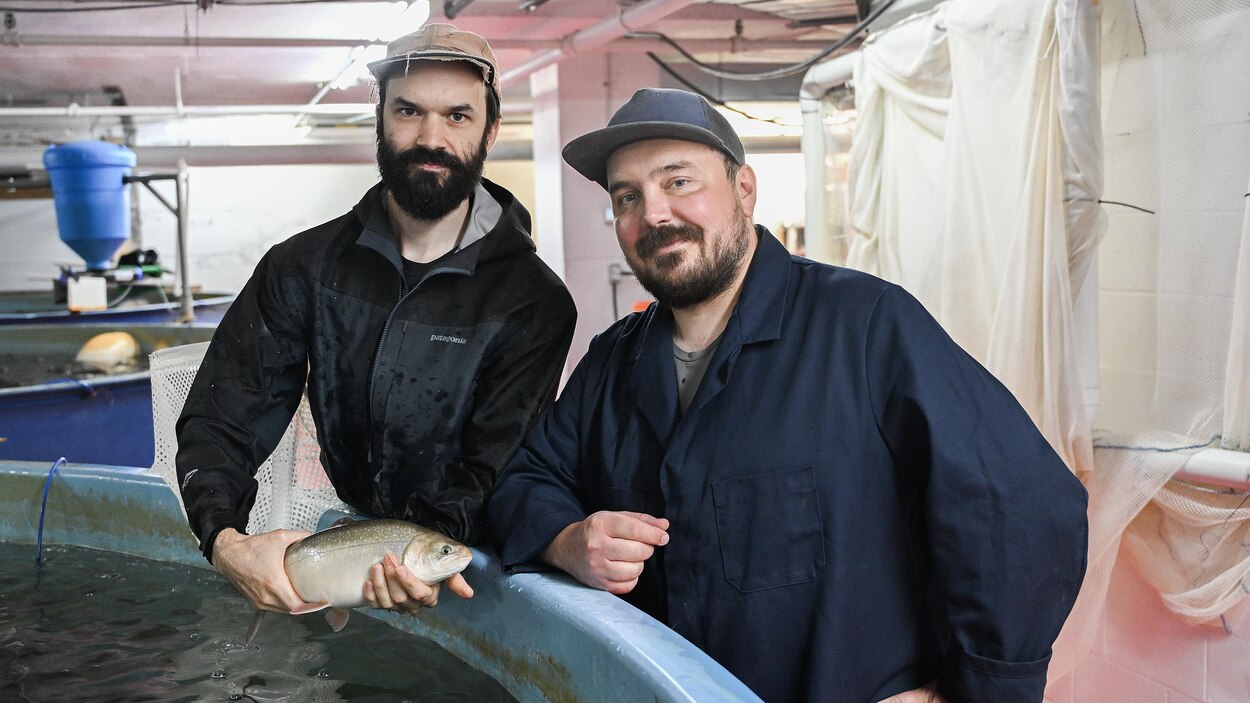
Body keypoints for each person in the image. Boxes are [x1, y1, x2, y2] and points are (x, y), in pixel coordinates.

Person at [487, 88, 1088, 703]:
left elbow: (1021, 507)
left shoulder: (865, 326)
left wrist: (968, 690)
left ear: (744, 189)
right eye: (628, 197)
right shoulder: (613, 361)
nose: (655, 214)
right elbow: (525, 483)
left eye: (679, 182)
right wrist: (570, 542)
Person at [175, 24, 576, 619]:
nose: (430, 138)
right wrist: (225, 541)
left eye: (458, 116)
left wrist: (417, 556)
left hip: (470, 568)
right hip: (353, 545)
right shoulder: (302, 268)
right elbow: (224, 413)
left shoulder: (533, 302)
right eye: (409, 111)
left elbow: (492, 461)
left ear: (491, 129)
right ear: (380, 117)